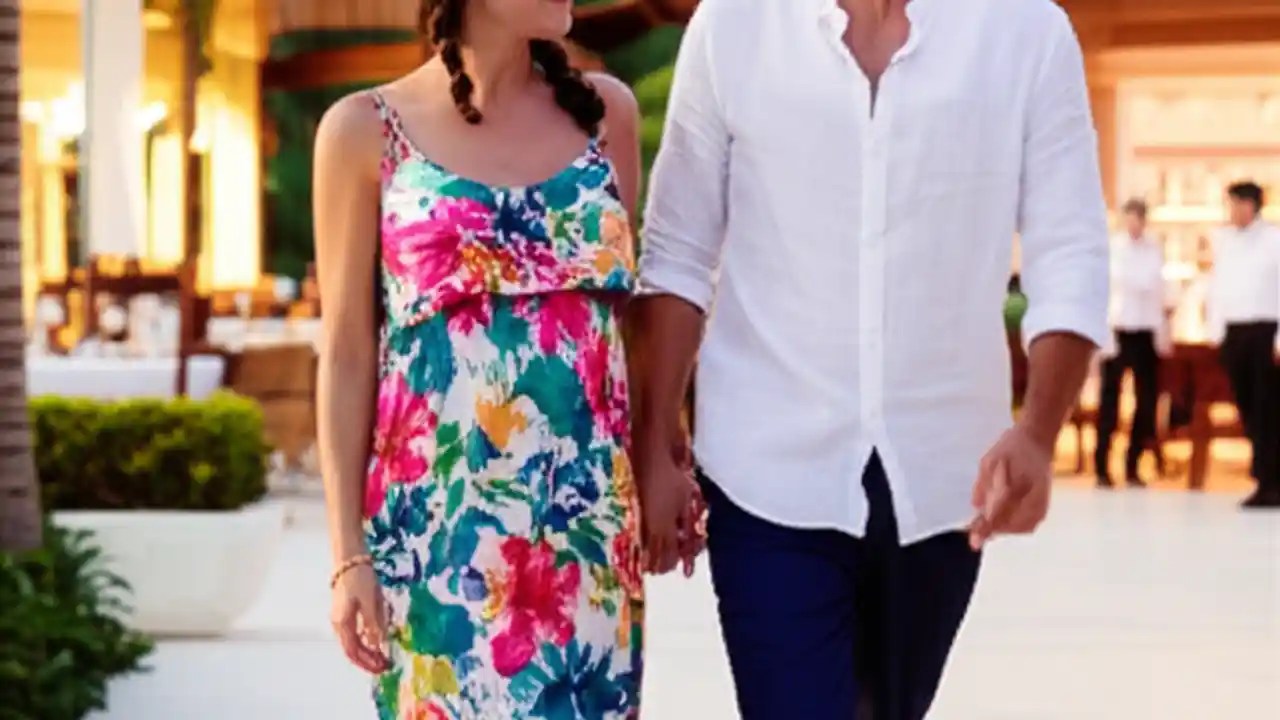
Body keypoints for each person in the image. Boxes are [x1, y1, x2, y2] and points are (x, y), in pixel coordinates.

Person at [630, 0, 1109, 718]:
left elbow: (1069, 247)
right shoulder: (733, 25)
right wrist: (654, 438)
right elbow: (677, 252)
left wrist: (1038, 434)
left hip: (946, 480)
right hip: (765, 472)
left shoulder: (1025, 29)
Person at [311, 1, 645, 716]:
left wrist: (664, 463)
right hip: (435, 537)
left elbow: (627, 325)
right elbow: (344, 354)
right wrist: (347, 556)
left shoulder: (605, 115)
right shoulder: (363, 130)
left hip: (583, 536)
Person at [1208, 181, 1280, 509]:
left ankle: (1271, 482)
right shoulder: (1224, 242)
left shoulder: (1273, 241)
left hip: (1265, 331)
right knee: (1248, 408)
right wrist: (1217, 332)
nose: (1233, 211)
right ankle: (1263, 476)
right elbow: (1218, 288)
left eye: (1237, 204)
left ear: (1252, 205)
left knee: (1269, 410)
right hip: (1235, 333)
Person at [1095, 199, 1167, 489]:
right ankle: (1102, 465)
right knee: (1109, 400)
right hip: (1117, 329)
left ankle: (1133, 463)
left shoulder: (1154, 249)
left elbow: (1156, 288)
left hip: (1145, 330)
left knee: (1146, 400)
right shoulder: (1112, 250)